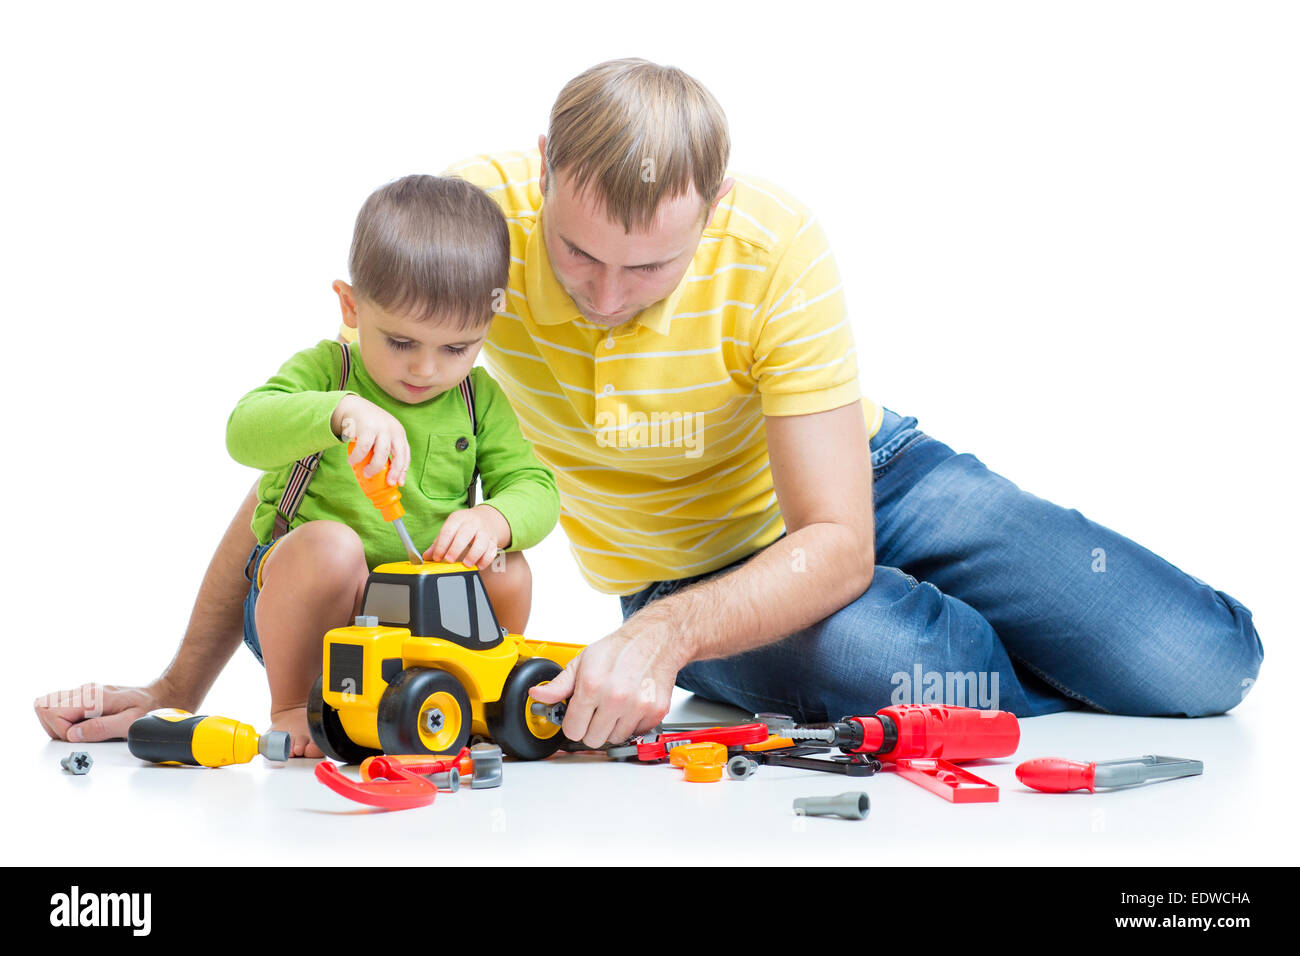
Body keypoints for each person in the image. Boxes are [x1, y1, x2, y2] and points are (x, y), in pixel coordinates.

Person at [36, 59, 1262, 753]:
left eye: (650, 267)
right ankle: (948, 668)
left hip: (874, 484)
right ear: (542, 174)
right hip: (697, 564)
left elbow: (835, 537)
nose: (605, 294)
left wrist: (676, 646)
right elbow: (305, 472)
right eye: (577, 254)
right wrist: (179, 681)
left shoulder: (773, 239)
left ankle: (960, 660)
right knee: (914, 661)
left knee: (1201, 663)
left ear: (711, 208)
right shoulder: (468, 230)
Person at [216, 174, 556, 756]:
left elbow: (536, 487)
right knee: (332, 548)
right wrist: (338, 412)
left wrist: (494, 520)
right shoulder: (328, 372)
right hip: (307, 616)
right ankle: (297, 706)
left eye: (456, 348)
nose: (426, 369)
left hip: (420, 619)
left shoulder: (478, 399)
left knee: (508, 568)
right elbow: (243, 430)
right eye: (401, 342)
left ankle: (479, 703)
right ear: (351, 306)